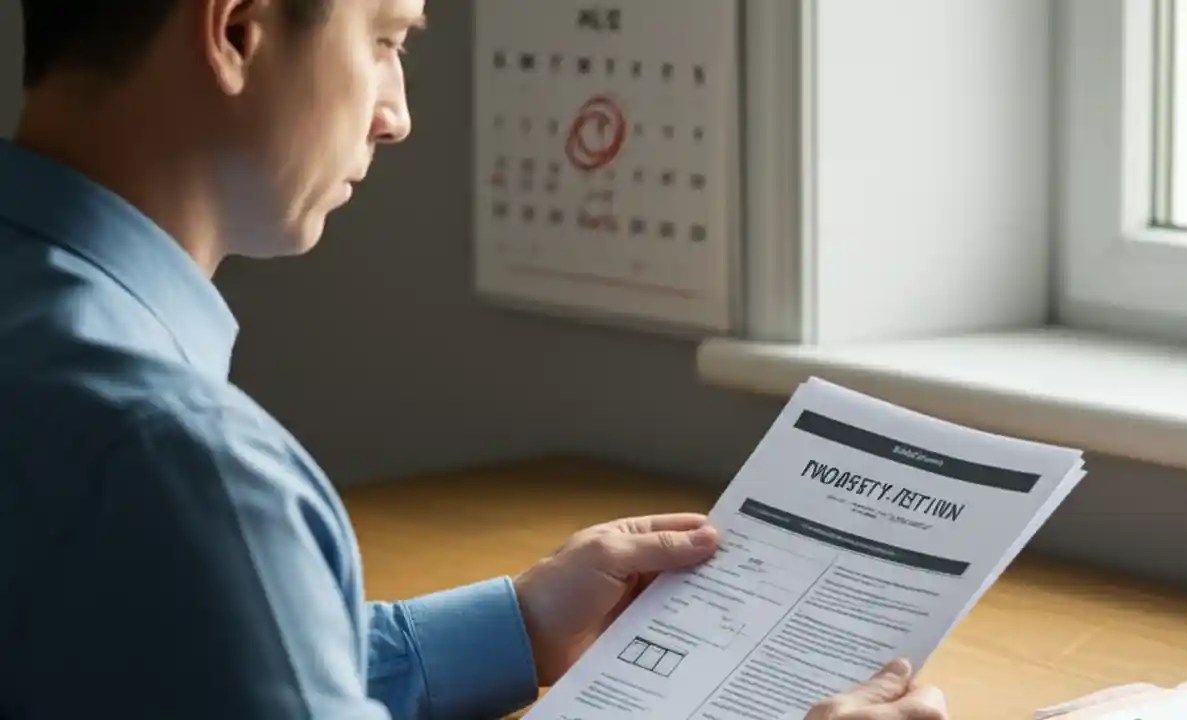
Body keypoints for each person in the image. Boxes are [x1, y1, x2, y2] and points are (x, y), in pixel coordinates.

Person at [0, 1, 948, 718]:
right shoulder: (183, 469)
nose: (396, 115)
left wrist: (518, 626)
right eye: (384, 40)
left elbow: (176, 652)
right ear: (239, 30)